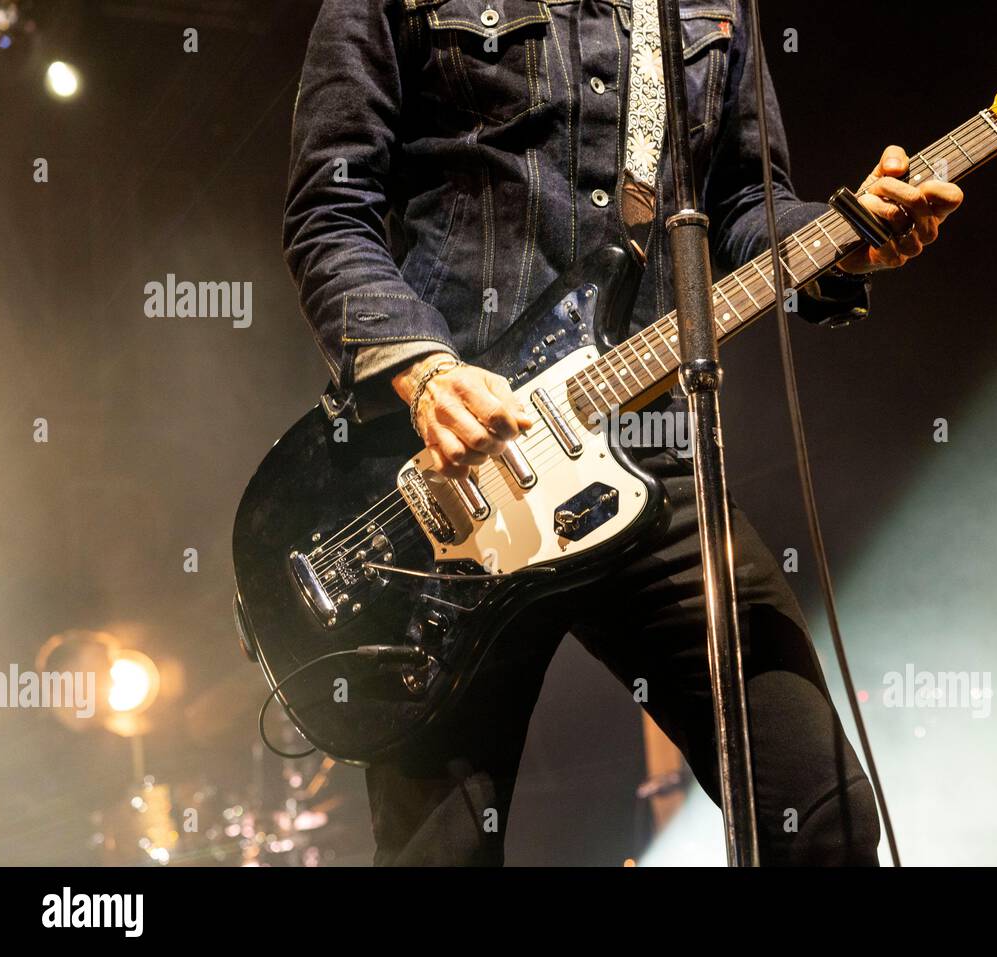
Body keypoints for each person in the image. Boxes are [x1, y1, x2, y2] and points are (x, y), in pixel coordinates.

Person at [283, 0, 962, 866]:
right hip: (451, 480)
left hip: (650, 458)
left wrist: (842, 239)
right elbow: (328, 210)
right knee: (438, 851)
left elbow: (747, 205)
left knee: (819, 809)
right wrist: (425, 374)